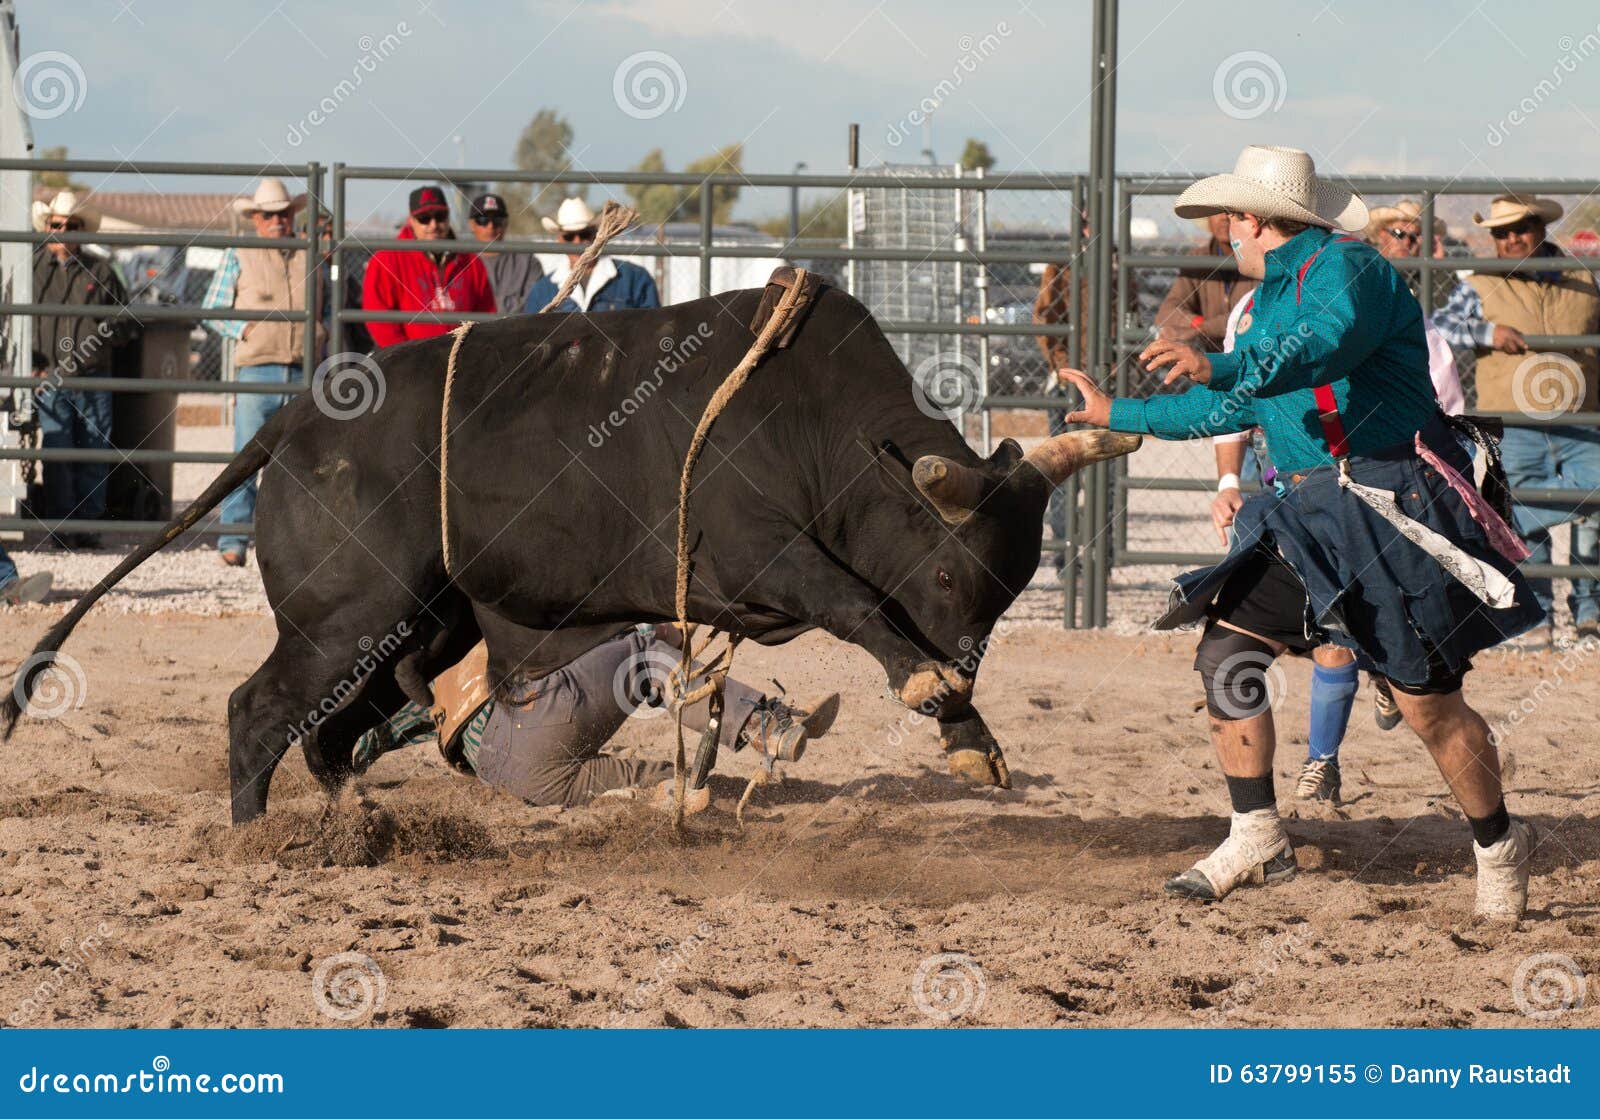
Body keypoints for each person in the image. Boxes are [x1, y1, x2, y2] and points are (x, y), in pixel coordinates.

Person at [1060, 145, 1544, 921]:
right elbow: (1234, 407)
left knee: (1430, 708)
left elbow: (1313, 351)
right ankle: (1256, 831)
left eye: (1226, 224)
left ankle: (1496, 840)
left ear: (1251, 220)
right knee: (1226, 652)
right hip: (1305, 514)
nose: (1222, 239)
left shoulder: (1352, 272)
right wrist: (1115, 413)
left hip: (1387, 506)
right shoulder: (1268, 303)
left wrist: (1219, 366)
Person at [352, 624, 839, 810]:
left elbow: (372, 735)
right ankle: (765, 727)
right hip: (531, 719)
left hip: (514, 779)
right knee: (644, 658)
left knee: (675, 785)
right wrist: (664, 631)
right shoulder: (493, 615)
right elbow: (599, 638)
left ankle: (701, 797)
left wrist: (342, 773)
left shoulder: (422, 671)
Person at [1432, 194, 1600, 648]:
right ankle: (1538, 616)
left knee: (1593, 510)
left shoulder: (1582, 279)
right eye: (1501, 233)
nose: (1511, 240)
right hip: (1514, 422)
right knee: (1523, 516)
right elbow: (1440, 325)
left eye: (1519, 229)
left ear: (1539, 229)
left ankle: (1590, 613)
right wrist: (1488, 333)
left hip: (1581, 418)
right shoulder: (1481, 282)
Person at [201, 179, 325, 567]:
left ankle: (294, 542)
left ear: (293, 215)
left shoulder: (313, 256)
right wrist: (244, 329)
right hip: (258, 368)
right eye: (269, 214)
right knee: (248, 457)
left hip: (304, 367)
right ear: (256, 218)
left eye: (283, 213)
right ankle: (233, 539)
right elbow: (213, 309)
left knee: (302, 460)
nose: (277, 220)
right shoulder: (239, 254)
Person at [29, 190, 134, 549]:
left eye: (71, 225)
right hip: (48, 376)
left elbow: (126, 322)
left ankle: (86, 525)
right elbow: (13, 322)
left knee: (92, 449)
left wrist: (100, 334)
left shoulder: (101, 270)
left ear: (80, 228)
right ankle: (62, 526)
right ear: (47, 226)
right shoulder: (30, 269)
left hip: (92, 373)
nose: (62, 231)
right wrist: (31, 364)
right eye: (56, 224)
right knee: (57, 451)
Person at [362, 185, 495, 348]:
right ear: (411, 221)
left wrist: (472, 352)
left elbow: (486, 313)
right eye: (424, 218)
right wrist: (407, 357)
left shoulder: (471, 261)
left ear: (448, 217)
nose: (433, 225)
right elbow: (379, 320)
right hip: (409, 362)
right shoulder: (387, 260)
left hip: (462, 361)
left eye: (440, 216)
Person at [524, 197, 659, 314]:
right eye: (569, 236)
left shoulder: (635, 279)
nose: (577, 242)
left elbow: (653, 330)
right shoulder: (541, 290)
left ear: (595, 235)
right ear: (559, 240)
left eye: (584, 234)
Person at [1154, 212, 1255, 352]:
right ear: (1208, 219)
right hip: (1209, 358)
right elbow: (1167, 311)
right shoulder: (1197, 258)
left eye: (1231, 212)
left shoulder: (1259, 259)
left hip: (1250, 355)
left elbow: (1255, 315)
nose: (1224, 218)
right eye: (1216, 212)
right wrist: (1197, 324)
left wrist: (1203, 329)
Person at [467, 191, 543, 313]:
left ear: (506, 223)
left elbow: (535, 308)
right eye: (482, 219)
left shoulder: (528, 263)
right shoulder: (458, 264)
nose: (490, 226)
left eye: (497, 220)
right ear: (471, 224)